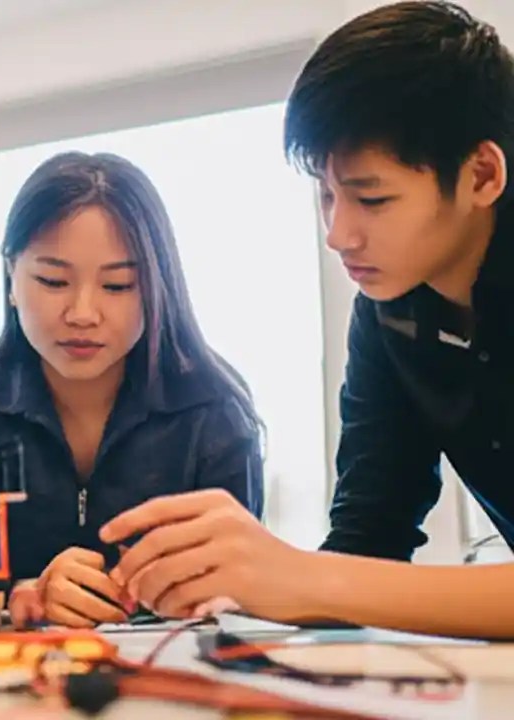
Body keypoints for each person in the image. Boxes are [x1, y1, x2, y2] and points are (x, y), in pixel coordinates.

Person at [104, 1, 514, 640]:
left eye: (370, 198)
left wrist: (295, 577)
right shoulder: (390, 313)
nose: (338, 234)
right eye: (326, 194)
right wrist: (234, 582)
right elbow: (370, 537)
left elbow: (341, 579)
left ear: (481, 175)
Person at [0, 151, 263, 629]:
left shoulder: (213, 410)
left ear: (158, 287)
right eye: (53, 280)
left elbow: (238, 589)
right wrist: (23, 597)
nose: (83, 313)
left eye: (118, 285)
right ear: (11, 277)